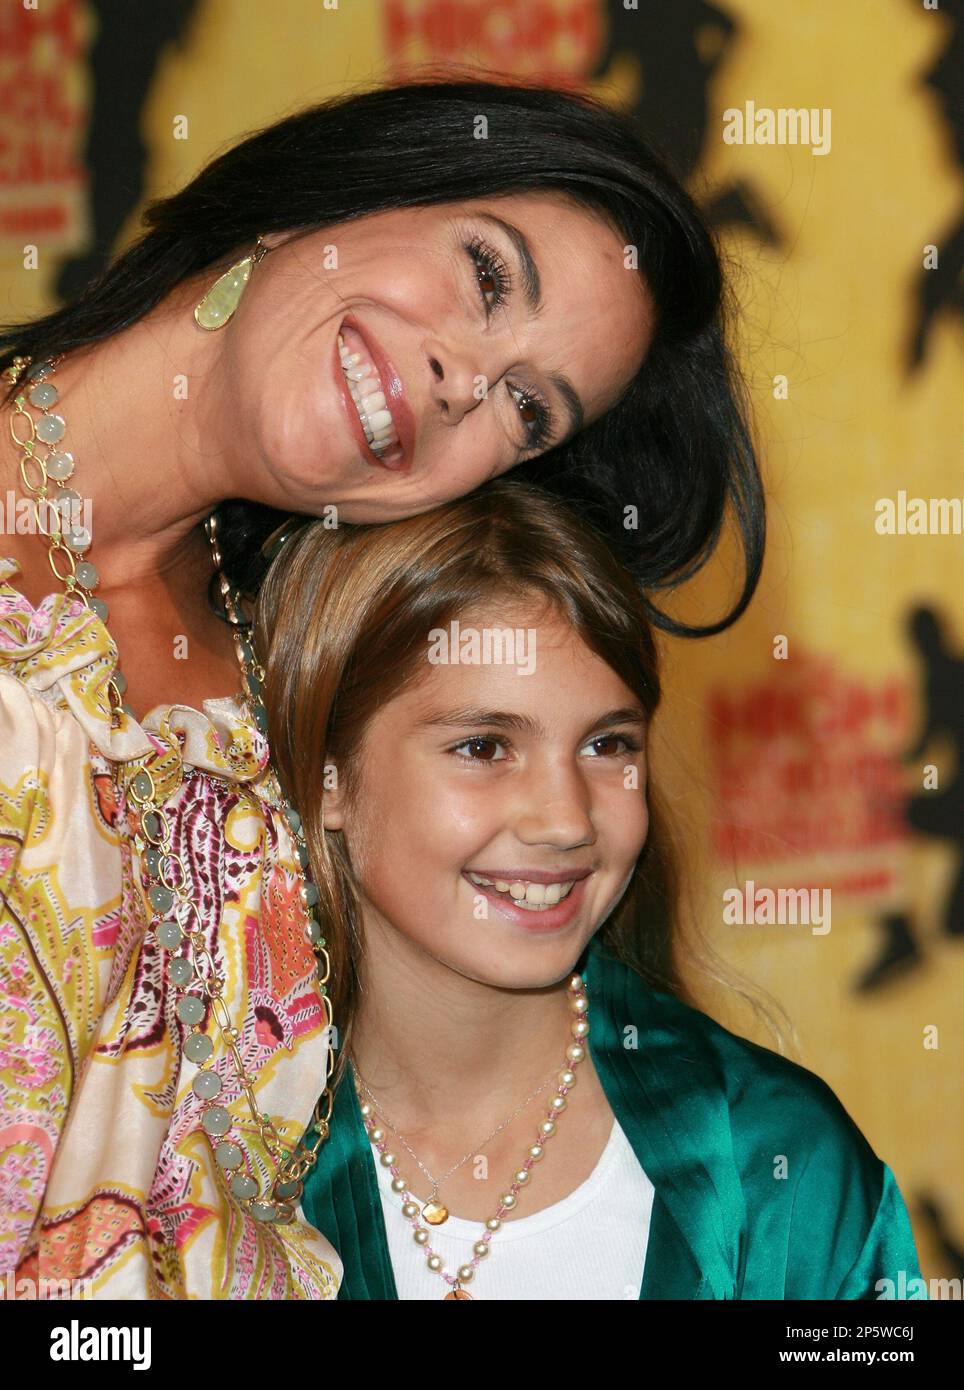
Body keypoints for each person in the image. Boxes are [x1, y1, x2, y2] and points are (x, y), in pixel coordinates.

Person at [0, 78, 763, 1298]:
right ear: (337, 194)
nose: (465, 382)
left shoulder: (297, 685)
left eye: (525, 409)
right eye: (485, 274)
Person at [251, 479, 926, 1301]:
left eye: (608, 744)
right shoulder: (215, 1162)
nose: (566, 820)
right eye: (484, 746)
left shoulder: (776, 1168)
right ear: (326, 775)